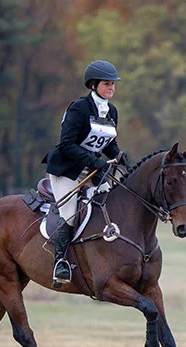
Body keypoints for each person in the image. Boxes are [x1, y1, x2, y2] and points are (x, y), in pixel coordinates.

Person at [41, 60, 130, 286]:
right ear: (93, 85)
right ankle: (60, 264)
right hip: (67, 170)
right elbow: (66, 144)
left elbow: (108, 142)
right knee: (70, 214)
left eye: (113, 84)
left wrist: (119, 156)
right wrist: (94, 161)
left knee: (109, 202)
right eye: (107, 84)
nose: (112, 88)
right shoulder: (79, 108)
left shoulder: (112, 111)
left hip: (91, 168)